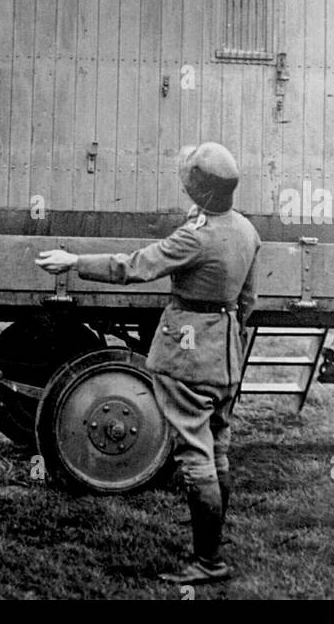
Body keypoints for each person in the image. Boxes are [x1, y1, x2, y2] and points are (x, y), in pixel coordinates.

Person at [36, 141, 261, 584]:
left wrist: (74, 261)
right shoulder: (245, 230)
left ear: (200, 193)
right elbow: (249, 301)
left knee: (194, 455)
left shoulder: (195, 237)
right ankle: (212, 548)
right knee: (218, 450)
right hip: (226, 355)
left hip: (189, 356)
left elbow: (132, 267)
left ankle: (208, 562)